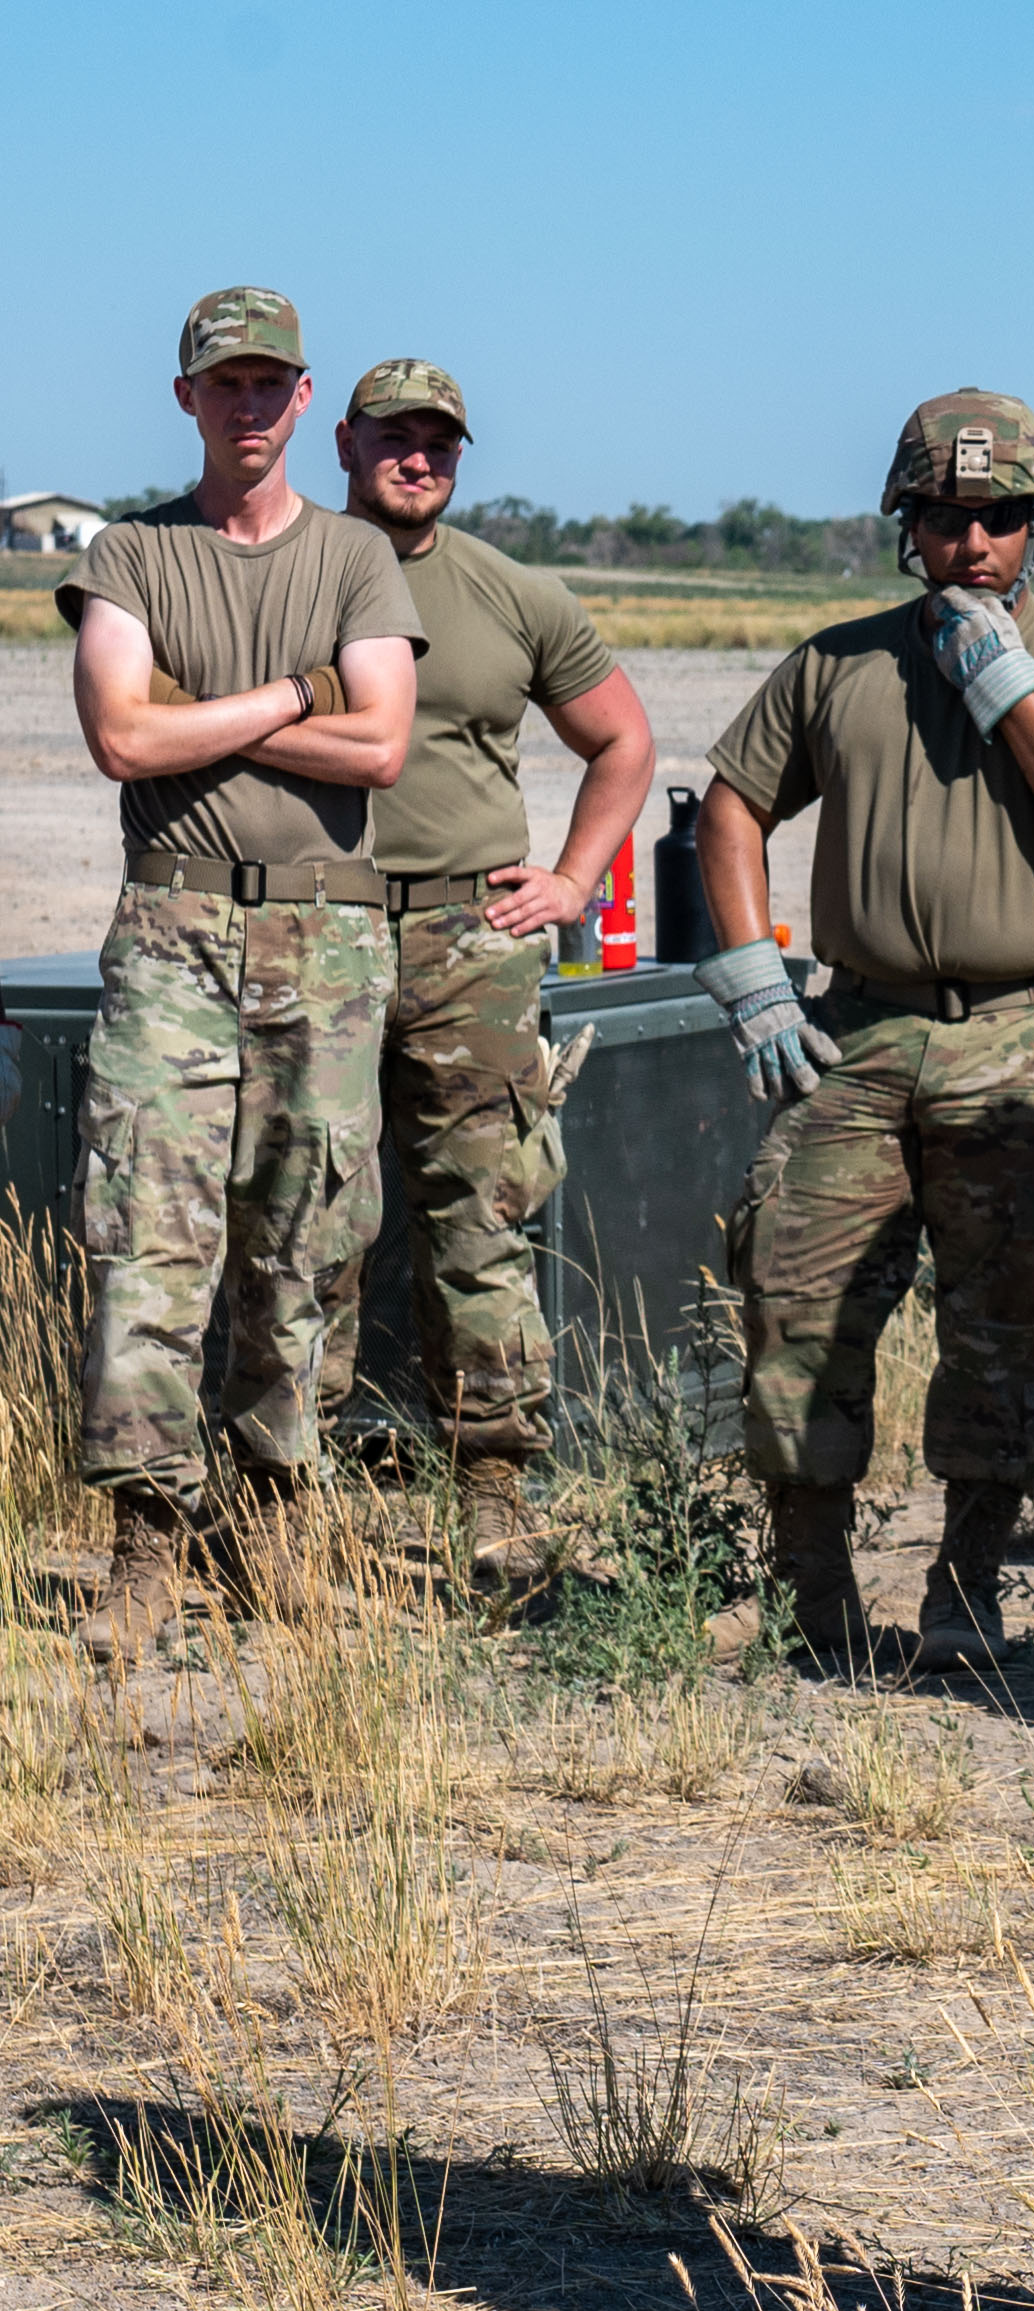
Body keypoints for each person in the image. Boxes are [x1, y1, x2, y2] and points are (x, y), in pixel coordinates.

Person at [688, 391, 1034, 1673]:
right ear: (907, 524)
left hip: (1025, 1034)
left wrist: (1006, 683)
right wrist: (754, 976)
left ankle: (966, 1584)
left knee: (1002, 1327)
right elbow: (730, 807)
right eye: (947, 519)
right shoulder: (839, 661)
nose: (974, 545)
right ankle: (814, 1591)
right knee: (795, 1298)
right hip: (858, 1029)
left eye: (1001, 519)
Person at [57, 287, 422, 1656]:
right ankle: (146, 1544)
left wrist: (200, 717)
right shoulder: (131, 553)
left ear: (304, 397)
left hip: (328, 939)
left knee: (305, 1236)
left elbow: (381, 746)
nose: (250, 405)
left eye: (271, 383)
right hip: (174, 928)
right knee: (146, 1235)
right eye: (227, 383)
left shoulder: (356, 559)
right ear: (188, 399)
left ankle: (272, 1526)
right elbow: (121, 740)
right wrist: (293, 694)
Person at [318, 358, 657, 1585]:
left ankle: (493, 1489)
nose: (418, 459)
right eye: (394, 438)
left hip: (471, 947)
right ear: (344, 444)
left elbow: (623, 741)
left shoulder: (513, 594)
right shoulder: (290, 572)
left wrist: (570, 881)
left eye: (440, 443)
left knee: (481, 1218)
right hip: (316, 934)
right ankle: (286, 1495)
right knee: (308, 1220)